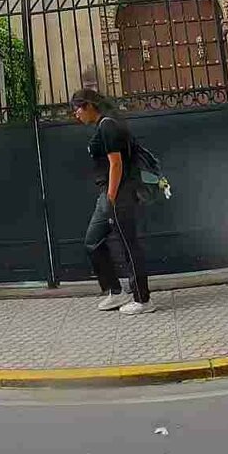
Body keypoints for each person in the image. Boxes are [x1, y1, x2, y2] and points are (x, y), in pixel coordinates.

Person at [71, 88, 154, 315]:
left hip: (119, 193)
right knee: (92, 241)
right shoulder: (104, 125)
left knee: (128, 245)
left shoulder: (107, 125)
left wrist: (111, 197)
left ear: (88, 105)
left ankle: (142, 299)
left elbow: (116, 164)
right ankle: (115, 292)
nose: (75, 114)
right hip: (107, 193)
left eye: (77, 108)